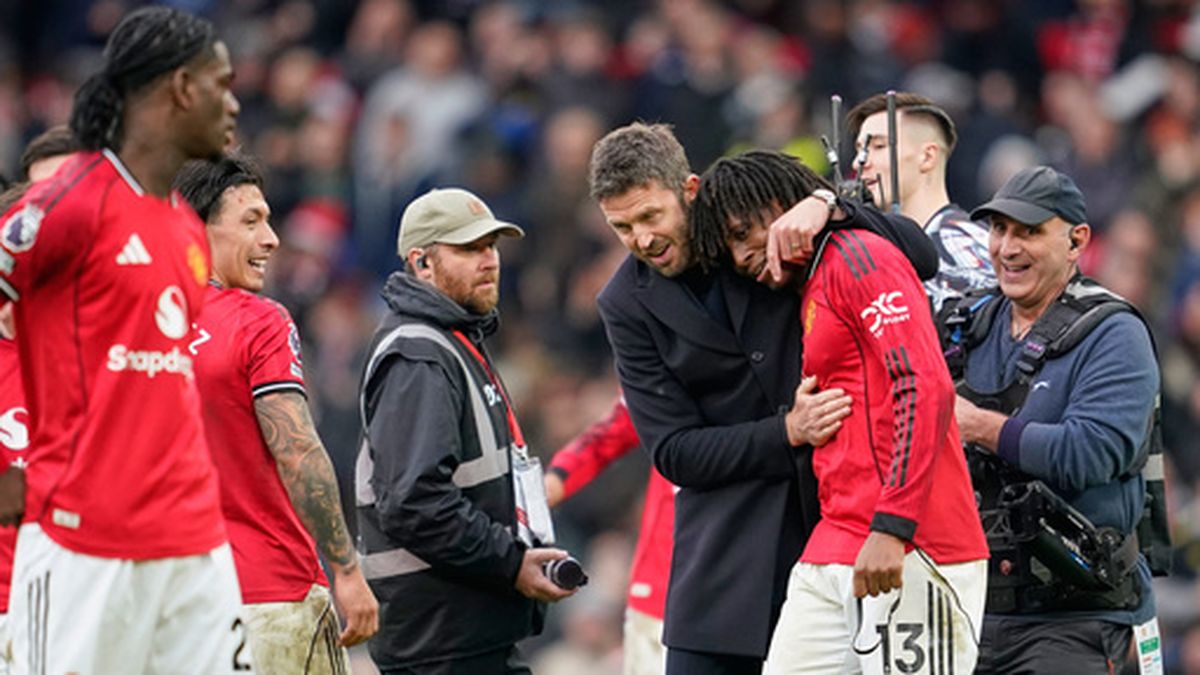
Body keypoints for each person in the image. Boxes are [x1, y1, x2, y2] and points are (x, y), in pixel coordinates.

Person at [590, 122, 938, 674]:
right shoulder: (624, 304)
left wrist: (829, 206)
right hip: (724, 569)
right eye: (622, 227)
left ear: (690, 190)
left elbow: (921, 256)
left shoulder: (753, 231)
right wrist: (786, 432)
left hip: (840, 536)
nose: (641, 239)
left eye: (650, 217)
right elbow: (675, 452)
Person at [0, 7, 247, 673]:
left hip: (195, 540)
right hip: (85, 542)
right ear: (179, 89)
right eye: (221, 84)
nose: (234, 102)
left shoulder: (185, 229)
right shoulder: (64, 207)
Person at [690, 149, 988, 674]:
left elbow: (925, 385)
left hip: (913, 543)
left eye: (742, 233)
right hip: (837, 538)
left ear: (782, 204)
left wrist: (893, 526)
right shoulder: (816, 277)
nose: (740, 257)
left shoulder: (859, 258)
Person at [948, 166, 1162, 674]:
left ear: (1076, 241)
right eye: (998, 229)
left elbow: (1091, 451)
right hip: (971, 609)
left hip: (1077, 618)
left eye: (1028, 231)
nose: (1007, 247)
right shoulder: (968, 326)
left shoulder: (1114, 334)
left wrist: (979, 427)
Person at [355, 187, 576, 674]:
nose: (489, 261)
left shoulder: (453, 339)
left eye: (492, 246)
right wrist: (512, 562)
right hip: (442, 642)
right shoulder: (419, 353)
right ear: (422, 263)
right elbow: (414, 502)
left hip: (468, 634)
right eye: (469, 248)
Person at [174, 154, 378, 673]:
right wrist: (347, 571)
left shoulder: (127, 327)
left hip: (169, 607)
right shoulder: (258, 322)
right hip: (269, 593)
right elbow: (297, 450)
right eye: (250, 221)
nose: (272, 239)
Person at [544, 397, 674, 675]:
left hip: (744, 585)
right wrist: (550, 485)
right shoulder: (668, 369)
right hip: (656, 590)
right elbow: (614, 429)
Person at [845, 92, 994, 311]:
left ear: (927, 157)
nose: (859, 162)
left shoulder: (963, 244)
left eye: (878, 146)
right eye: (859, 150)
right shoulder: (874, 248)